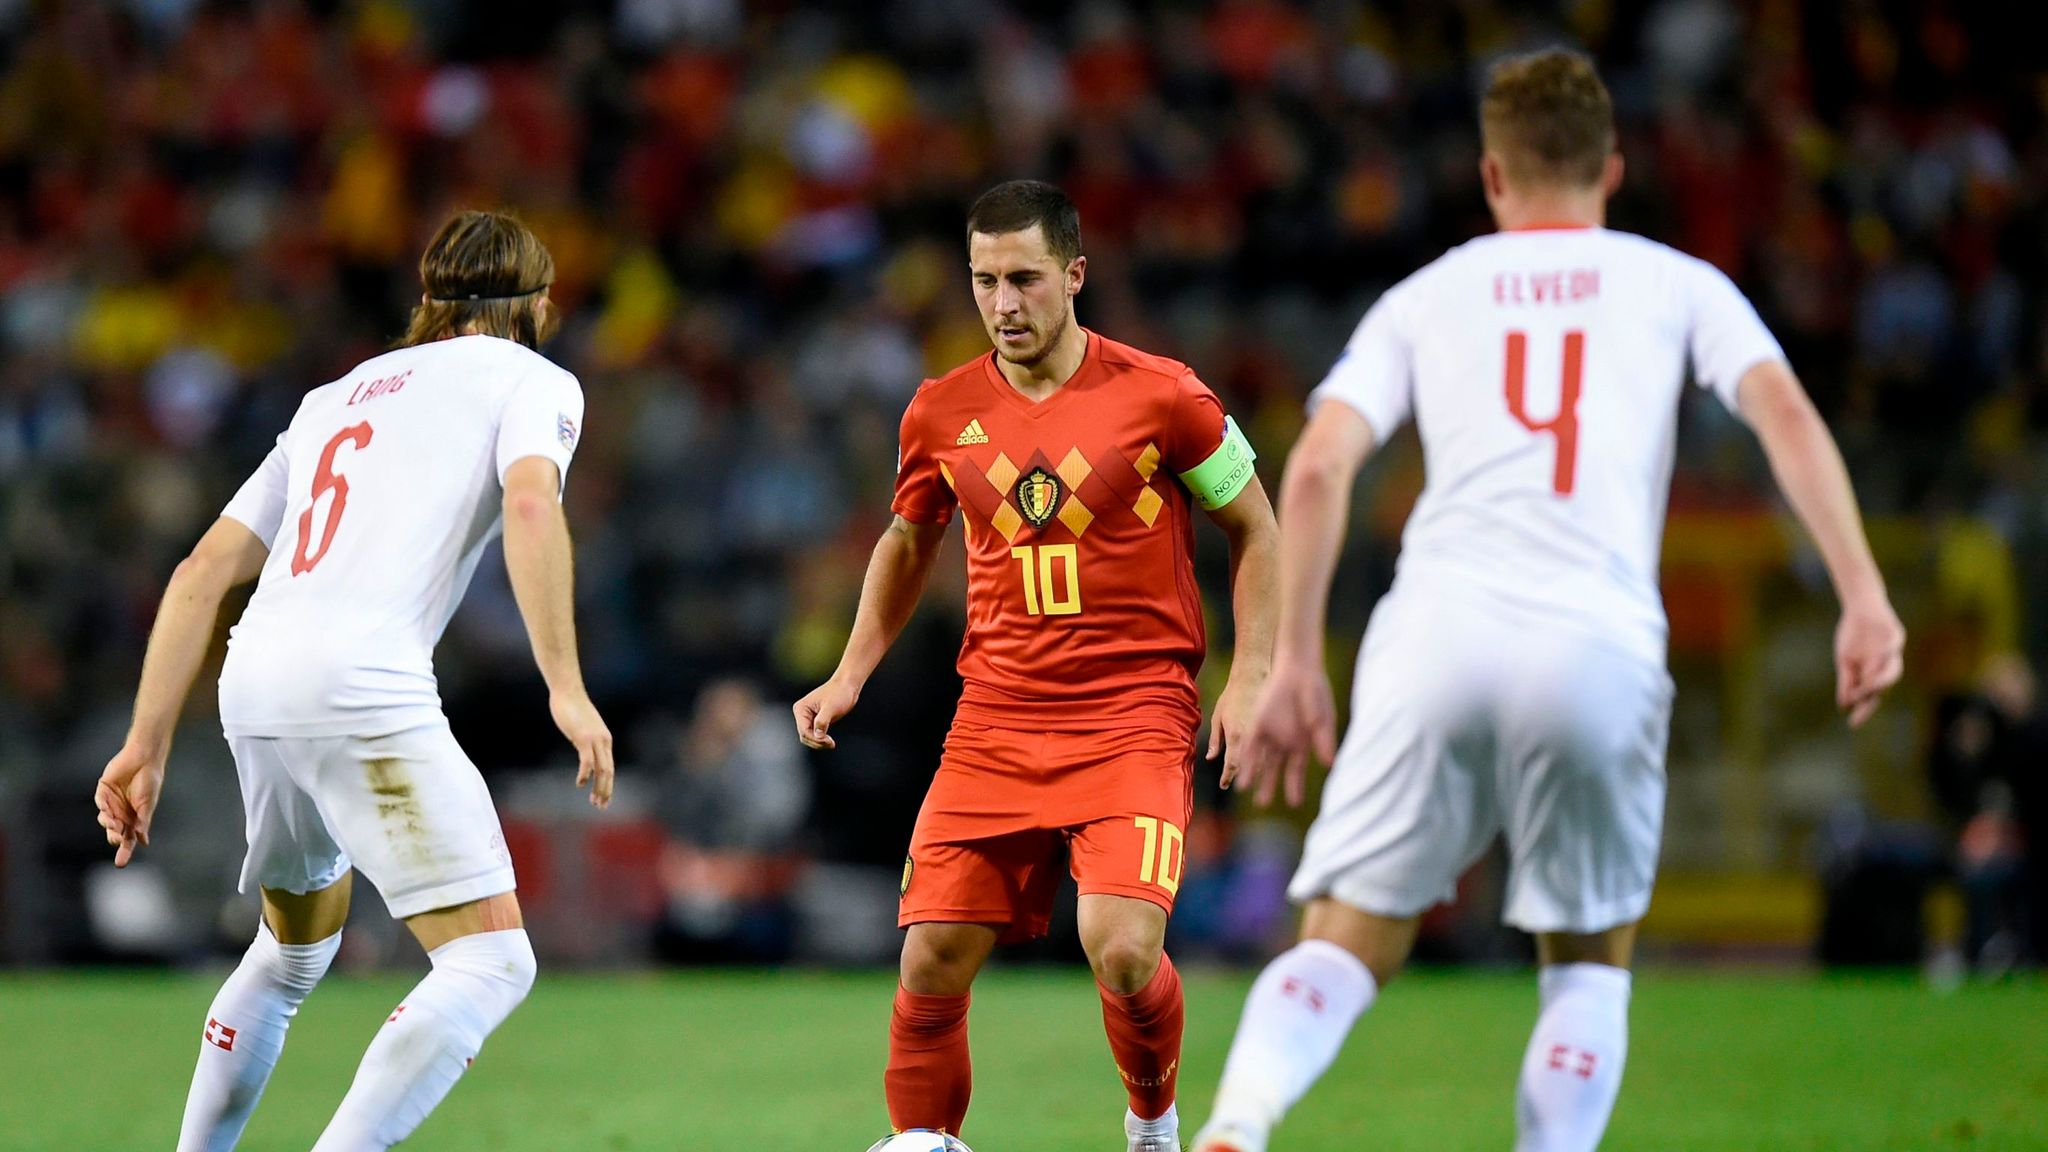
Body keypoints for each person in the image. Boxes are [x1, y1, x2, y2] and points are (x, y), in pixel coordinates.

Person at [1192, 50, 1906, 1152]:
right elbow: (1786, 417)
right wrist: (1862, 594)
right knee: (1585, 963)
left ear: (1491, 174)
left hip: (1434, 635)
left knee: (1342, 937)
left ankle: (1237, 1124)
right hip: (1594, 640)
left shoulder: (1428, 294)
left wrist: (1292, 663)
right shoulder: (1678, 284)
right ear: (1610, 169)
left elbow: (1323, 463)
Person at [92, 210, 615, 1152]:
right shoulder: (531, 378)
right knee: (491, 960)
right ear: (537, 304)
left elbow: (201, 572)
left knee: (292, 951)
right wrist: (565, 687)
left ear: (430, 300)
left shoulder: (334, 397)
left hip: (254, 676)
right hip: (360, 682)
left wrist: (145, 742)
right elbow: (532, 504)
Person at [794, 179, 1279, 1151]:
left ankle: (1152, 1126)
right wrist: (850, 672)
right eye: (984, 281)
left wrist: (1252, 674)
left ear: (1074, 275)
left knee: (1122, 949)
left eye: (1023, 279)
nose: (1003, 303)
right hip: (997, 717)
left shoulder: (1166, 396)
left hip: (1133, 712)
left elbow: (1255, 528)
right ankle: (924, 1142)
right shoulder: (939, 412)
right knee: (930, 954)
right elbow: (907, 539)